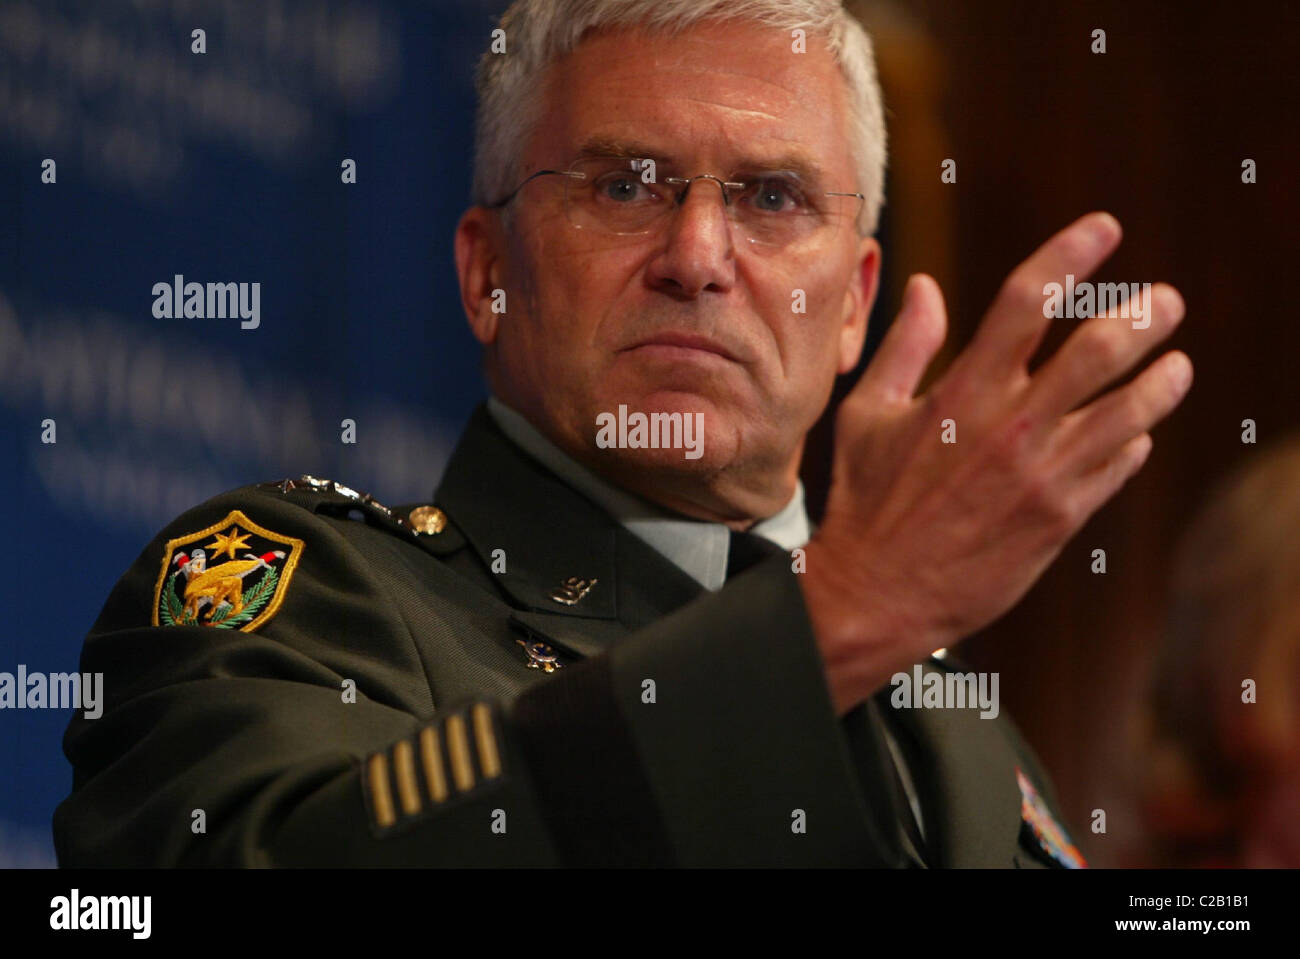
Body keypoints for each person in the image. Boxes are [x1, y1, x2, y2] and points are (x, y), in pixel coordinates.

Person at [54, 0, 1192, 867]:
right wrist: (832, 620)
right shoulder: (303, 594)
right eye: (623, 186)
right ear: (488, 272)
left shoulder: (964, 740)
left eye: (771, 198)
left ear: (853, 305)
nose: (696, 255)